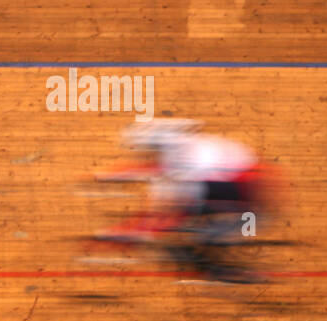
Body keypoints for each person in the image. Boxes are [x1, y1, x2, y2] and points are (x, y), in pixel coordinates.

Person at [93, 119, 269, 280]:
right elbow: (155, 170)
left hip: (250, 201)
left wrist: (126, 233)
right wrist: (109, 176)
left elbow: (169, 215)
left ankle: (219, 269)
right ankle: (211, 245)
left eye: (151, 152)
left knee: (192, 237)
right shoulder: (187, 147)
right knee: (182, 222)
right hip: (245, 181)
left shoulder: (187, 170)